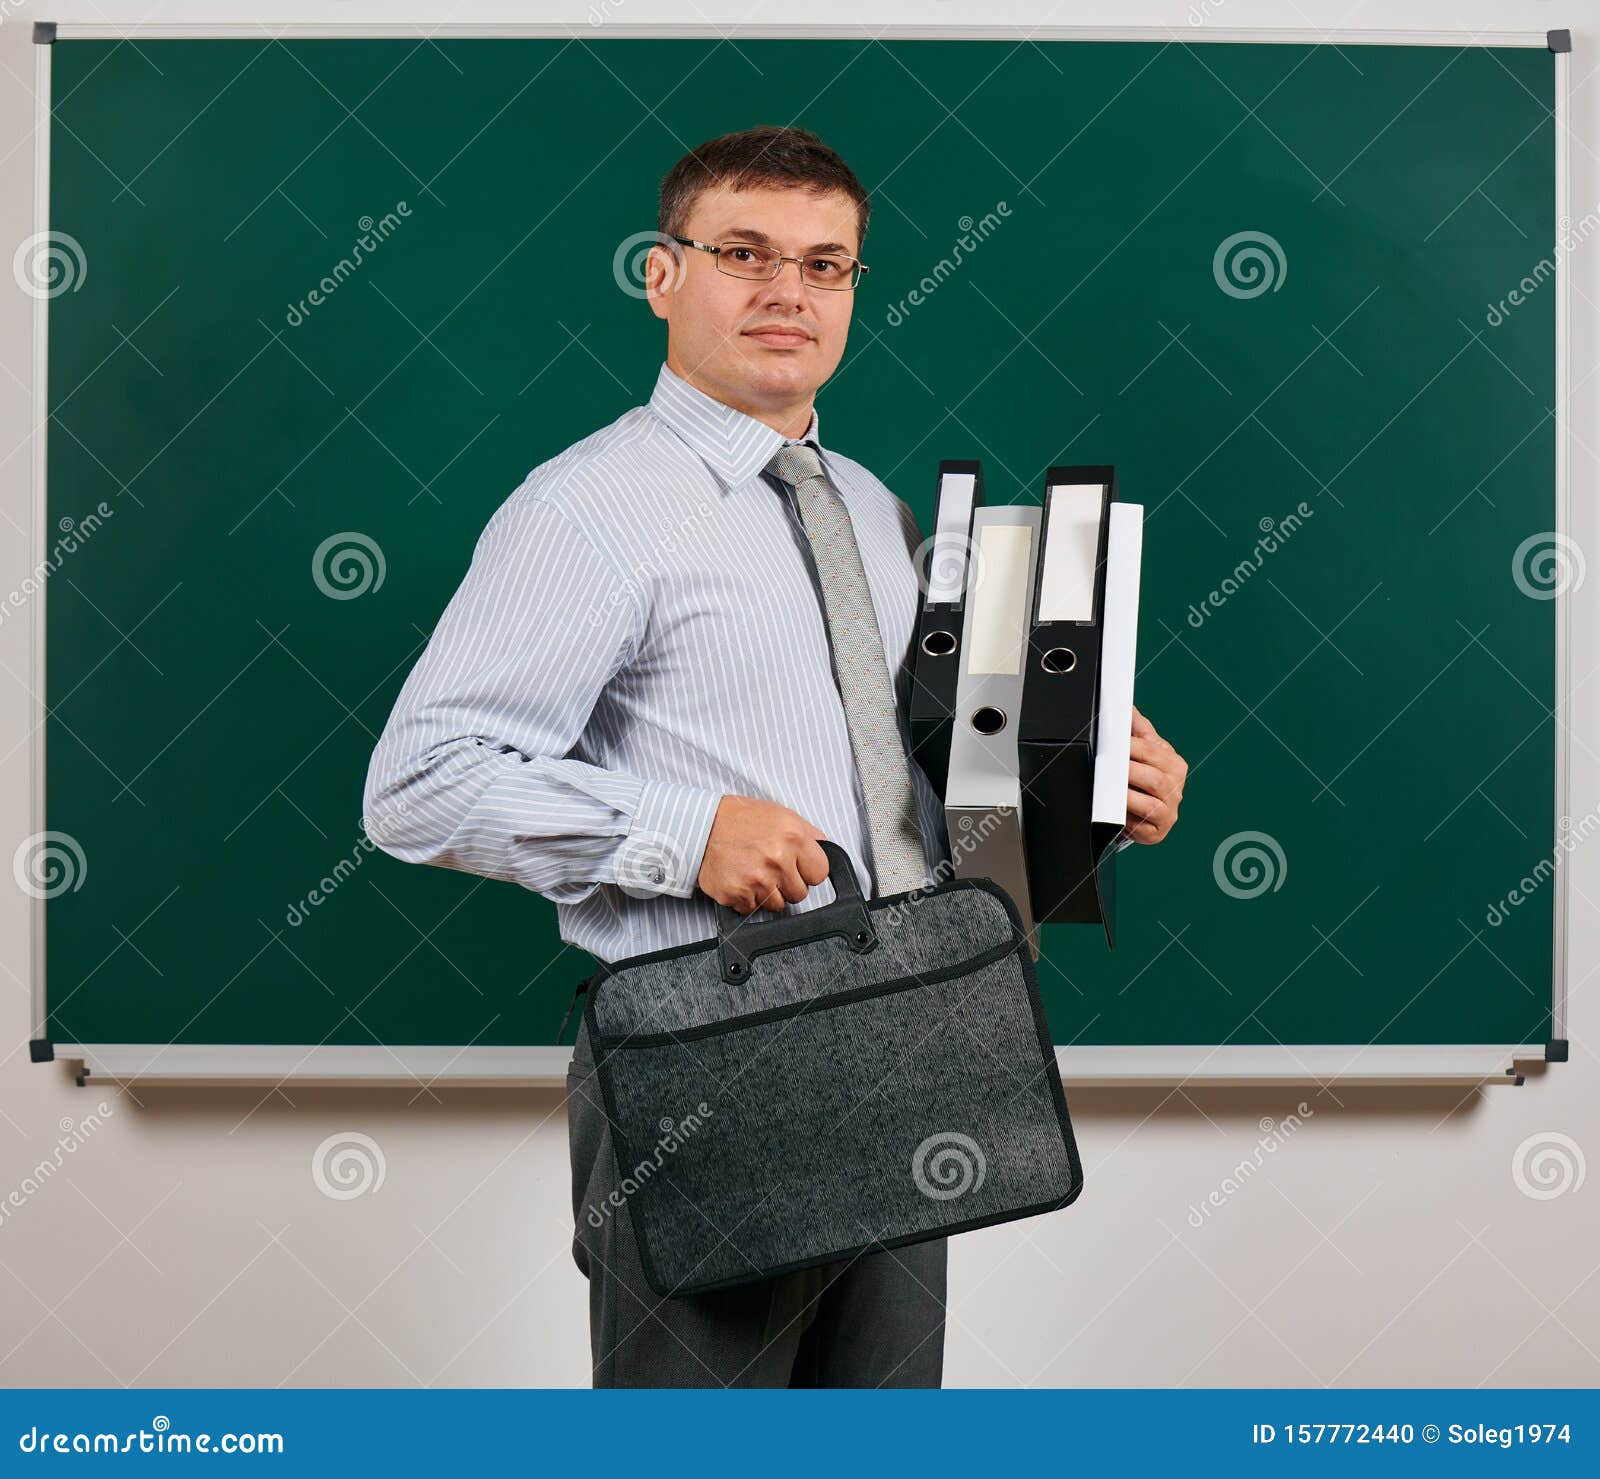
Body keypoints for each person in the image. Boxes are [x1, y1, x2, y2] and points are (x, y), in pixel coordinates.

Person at [363, 124, 1188, 1388]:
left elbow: (909, 791)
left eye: (824, 263)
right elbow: (420, 784)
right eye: (742, 254)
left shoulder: (873, 508)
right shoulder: (584, 508)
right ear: (662, 274)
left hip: (912, 1036)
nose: (786, 291)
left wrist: (1080, 793)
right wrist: (684, 833)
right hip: (709, 1057)